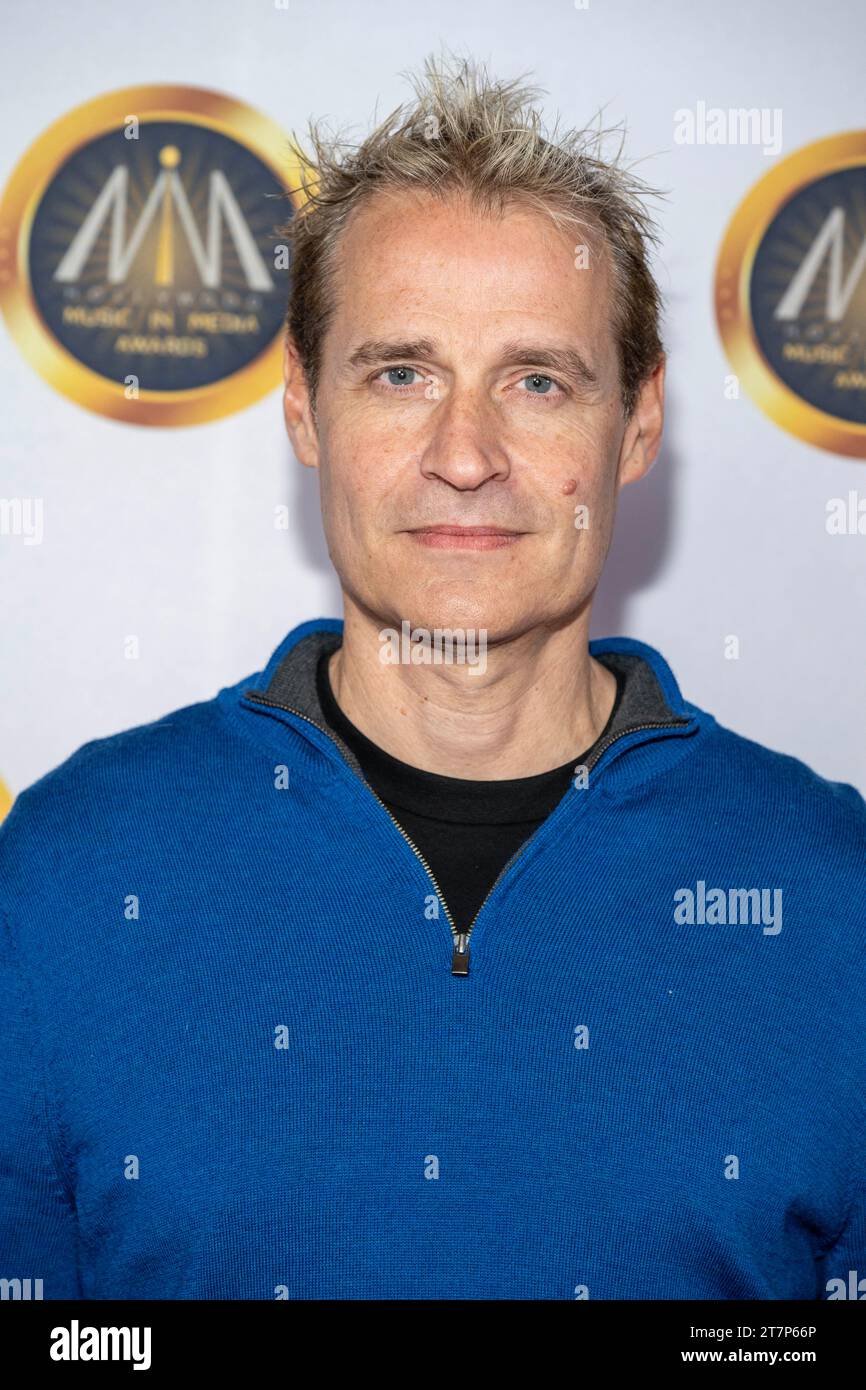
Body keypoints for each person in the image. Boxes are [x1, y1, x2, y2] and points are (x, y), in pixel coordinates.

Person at [1, 53, 864, 1302]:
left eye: (536, 380)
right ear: (303, 408)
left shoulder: (833, 896)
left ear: (635, 424)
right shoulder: (72, 870)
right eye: (400, 373)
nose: (465, 455)